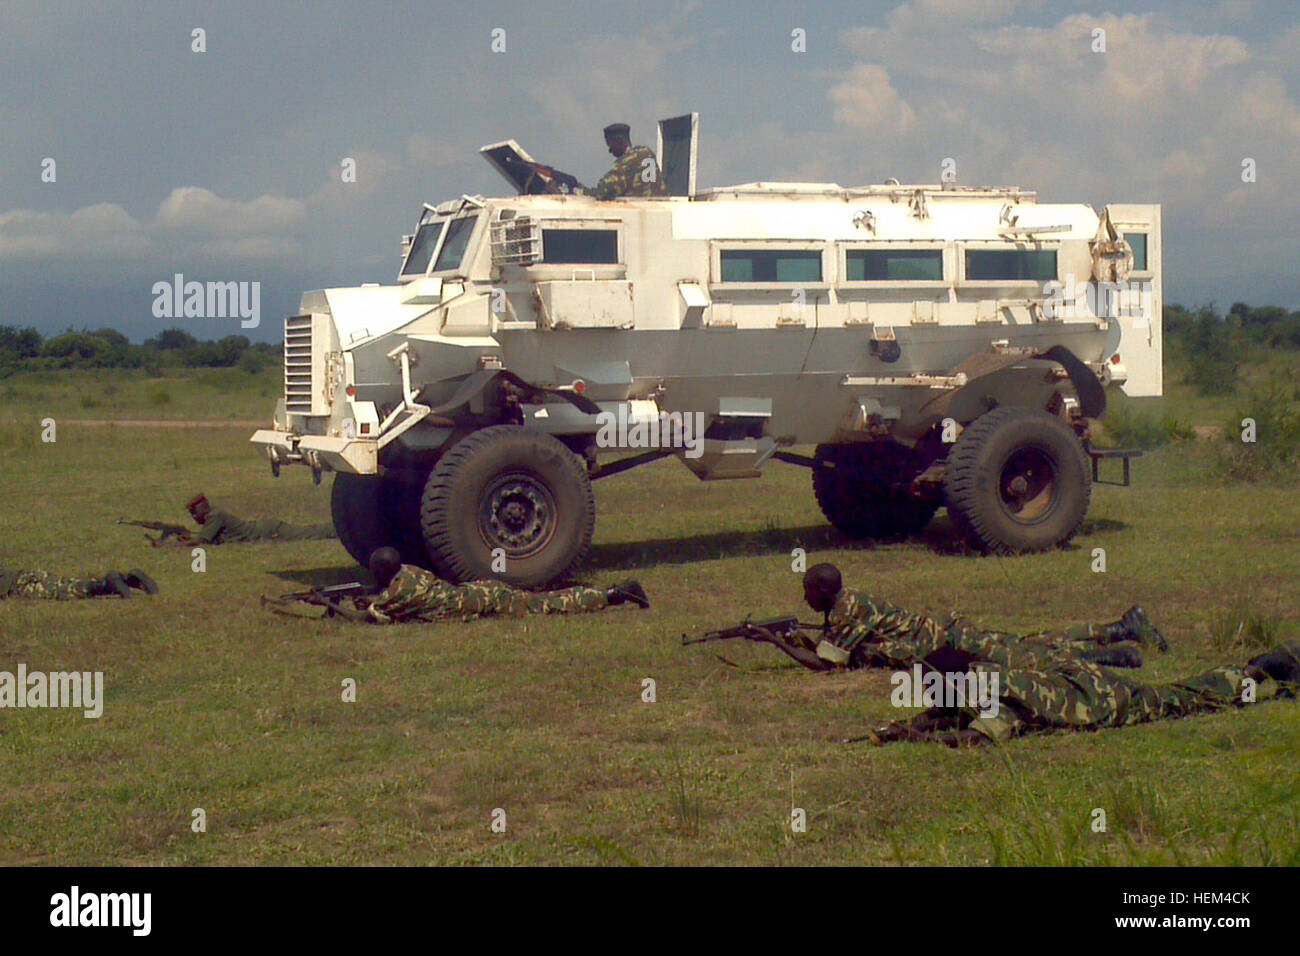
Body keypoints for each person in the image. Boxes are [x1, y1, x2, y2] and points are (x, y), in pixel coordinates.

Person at [742, 563, 1167, 674]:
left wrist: (776, 641)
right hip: (945, 639)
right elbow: (829, 648)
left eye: (807, 592)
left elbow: (827, 665)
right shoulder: (844, 605)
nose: (804, 598)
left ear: (822, 591)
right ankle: (1117, 632)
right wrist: (793, 638)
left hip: (946, 645)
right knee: (1026, 643)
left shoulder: (846, 610)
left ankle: (1115, 650)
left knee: (1025, 655)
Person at [357, 547, 649, 624]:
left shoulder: (399, 594)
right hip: (481, 592)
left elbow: (370, 617)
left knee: (548, 605)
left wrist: (332, 604)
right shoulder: (409, 573)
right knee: (542, 598)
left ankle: (615, 594)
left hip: (489, 601)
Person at [150, 494, 336, 546]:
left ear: (203, 509)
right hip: (268, 529)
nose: (194, 517)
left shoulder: (215, 516)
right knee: (310, 531)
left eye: (194, 513)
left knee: (312, 533)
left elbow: (201, 542)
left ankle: (340, 530)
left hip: (271, 531)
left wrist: (167, 545)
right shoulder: (213, 515)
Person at [582, 123, 668, 200]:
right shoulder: (646, 152)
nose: (610, 150)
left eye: (610, 144)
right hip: (660, 207)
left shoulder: (626, 162)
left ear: (618, 141)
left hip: (638, 212)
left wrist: (580, 189)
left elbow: (604, 191)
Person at [1, 564, 158, 600]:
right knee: (66, 583)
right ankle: (128, 580)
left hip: (18, 585)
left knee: (67, 590)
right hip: (24, 575)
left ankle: (106, 584)